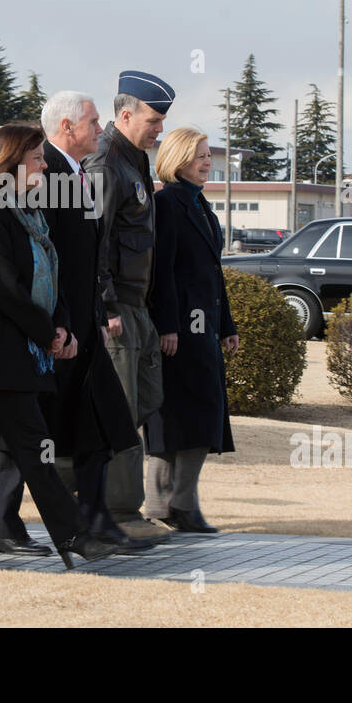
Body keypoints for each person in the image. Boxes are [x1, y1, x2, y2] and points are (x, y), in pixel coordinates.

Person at [0, 122, 118, 569]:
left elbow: (53, 277)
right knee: (35, 446)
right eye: (36, 158)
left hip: (23, 349)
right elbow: (4, 288)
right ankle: (72, 533)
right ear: (11, 162)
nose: (42, 165)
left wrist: (63, 326)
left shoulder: (29, 210)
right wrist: (47, 332)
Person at [0, 93, 148, 555]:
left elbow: (89, 255)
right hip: (54, 330)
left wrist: (101, 311)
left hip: (82, 325)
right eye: (94, 121)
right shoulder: (45, 174)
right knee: (24, 427)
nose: (101, 129)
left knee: (99, 424)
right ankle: (4, 525)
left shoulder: (76, 173)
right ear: (66, 126)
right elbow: (37, 258)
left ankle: (97, 521)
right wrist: (53, 326)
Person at [83, 70, 175, 544]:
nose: (159, 130)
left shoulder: (134, 160)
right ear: (125, 114)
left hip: (137, 305)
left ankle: (116, 507)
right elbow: (95, 241)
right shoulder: (105, 164)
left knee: (144, 402)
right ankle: (117, 511)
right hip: (117, 306)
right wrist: (106, 307)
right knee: (120, 410)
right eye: (154, 121)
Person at [147, 128, 239, 533]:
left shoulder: (200, 204)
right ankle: (169, 503)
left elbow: (212, 273)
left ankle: (176, 502)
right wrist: (167, 325)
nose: (207, 162)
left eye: (208, 155)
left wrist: (227, 325)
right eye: (200, 155)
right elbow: (161, 271)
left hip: (204, 327)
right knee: (177, 414)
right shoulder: (167, 203)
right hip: (179, 329)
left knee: (201, 412)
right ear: (179, 158)